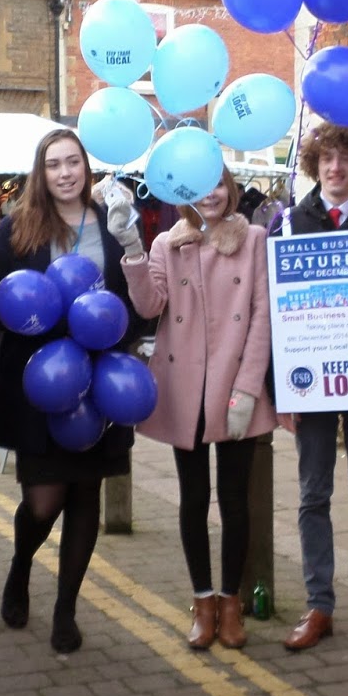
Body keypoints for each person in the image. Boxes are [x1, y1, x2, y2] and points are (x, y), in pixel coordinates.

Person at [0, 128, 141, 653]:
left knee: (85, 496)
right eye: (54, 164)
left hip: (101, 383)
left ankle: (66, 610)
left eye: (73, 162)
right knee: (43, 503)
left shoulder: (113, 226)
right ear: (40, 172)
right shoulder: (17, 229)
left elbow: (131, 302)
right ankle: (20, 566)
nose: (66, 173)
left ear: (86, 168)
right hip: (42, 382)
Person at [121, 167, 276, 650]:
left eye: (218, 183)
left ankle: (231, 604)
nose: (210, 193)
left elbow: (260, 316)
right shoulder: (170, 242)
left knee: (234, 502)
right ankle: (203, 601)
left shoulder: (252, 239)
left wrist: (248, 389)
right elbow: (150, 305)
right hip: (185, 385)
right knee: (192, 500)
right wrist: (132, 248)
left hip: (235, 386)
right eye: (200, 183)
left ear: (230, 188)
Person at [272, 125, 348, 659]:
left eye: (346, 159)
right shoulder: (288, 223)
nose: (336, 168)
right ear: (314, 164)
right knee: (312, 496)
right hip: (311, 383)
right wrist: (281, 390)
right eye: (327, 158)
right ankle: (319, 604)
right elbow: (276, 311)